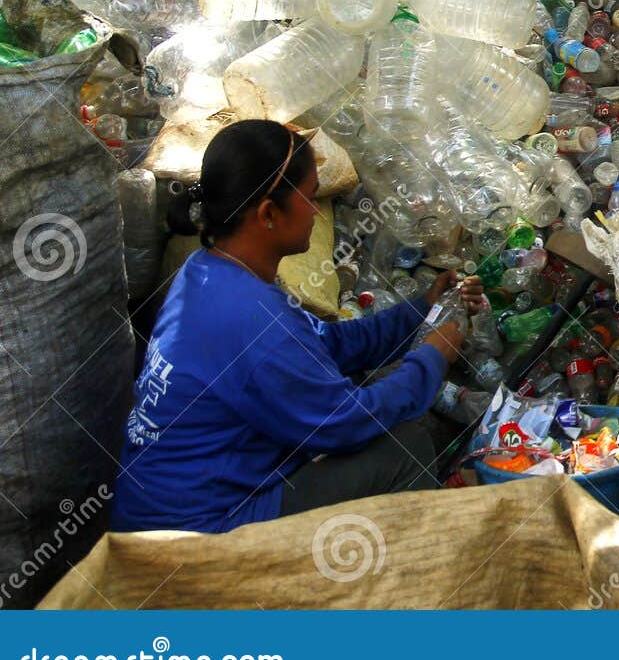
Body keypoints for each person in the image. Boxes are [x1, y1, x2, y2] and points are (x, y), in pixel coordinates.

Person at [112, 119, 485, 533]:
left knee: (358, 388)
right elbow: (345, 424)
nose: (314, 211)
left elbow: (324, 343)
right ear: (269, 213)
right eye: (309, 199)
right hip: (197, 534)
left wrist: (421, 309)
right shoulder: (250, 318)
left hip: (160, 507)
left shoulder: (207, 271)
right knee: (406, 446)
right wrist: (431, 359)